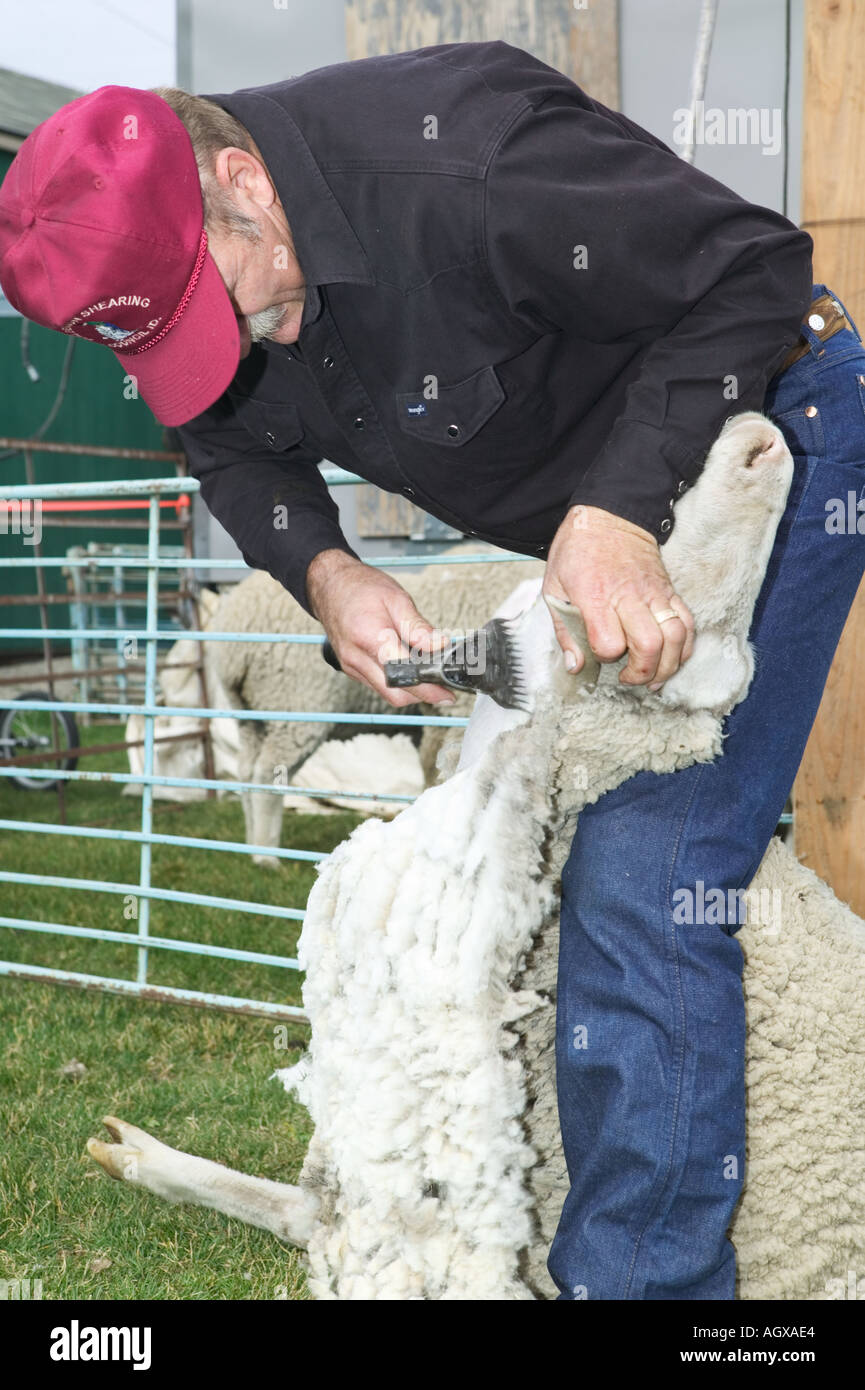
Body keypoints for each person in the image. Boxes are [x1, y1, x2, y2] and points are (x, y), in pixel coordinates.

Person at [2, 41, 862, 1300]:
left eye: (226, 307)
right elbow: (228, 444)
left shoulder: (464, 163)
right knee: (544, 841)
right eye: (181, 340)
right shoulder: (225, 260)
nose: (236, 351)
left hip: (772, 427)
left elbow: (751, 274)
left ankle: (648, 1288)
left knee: (650, 855)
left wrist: (616, 508)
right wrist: (331, 572)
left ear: (244, 180)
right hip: (600, 497)